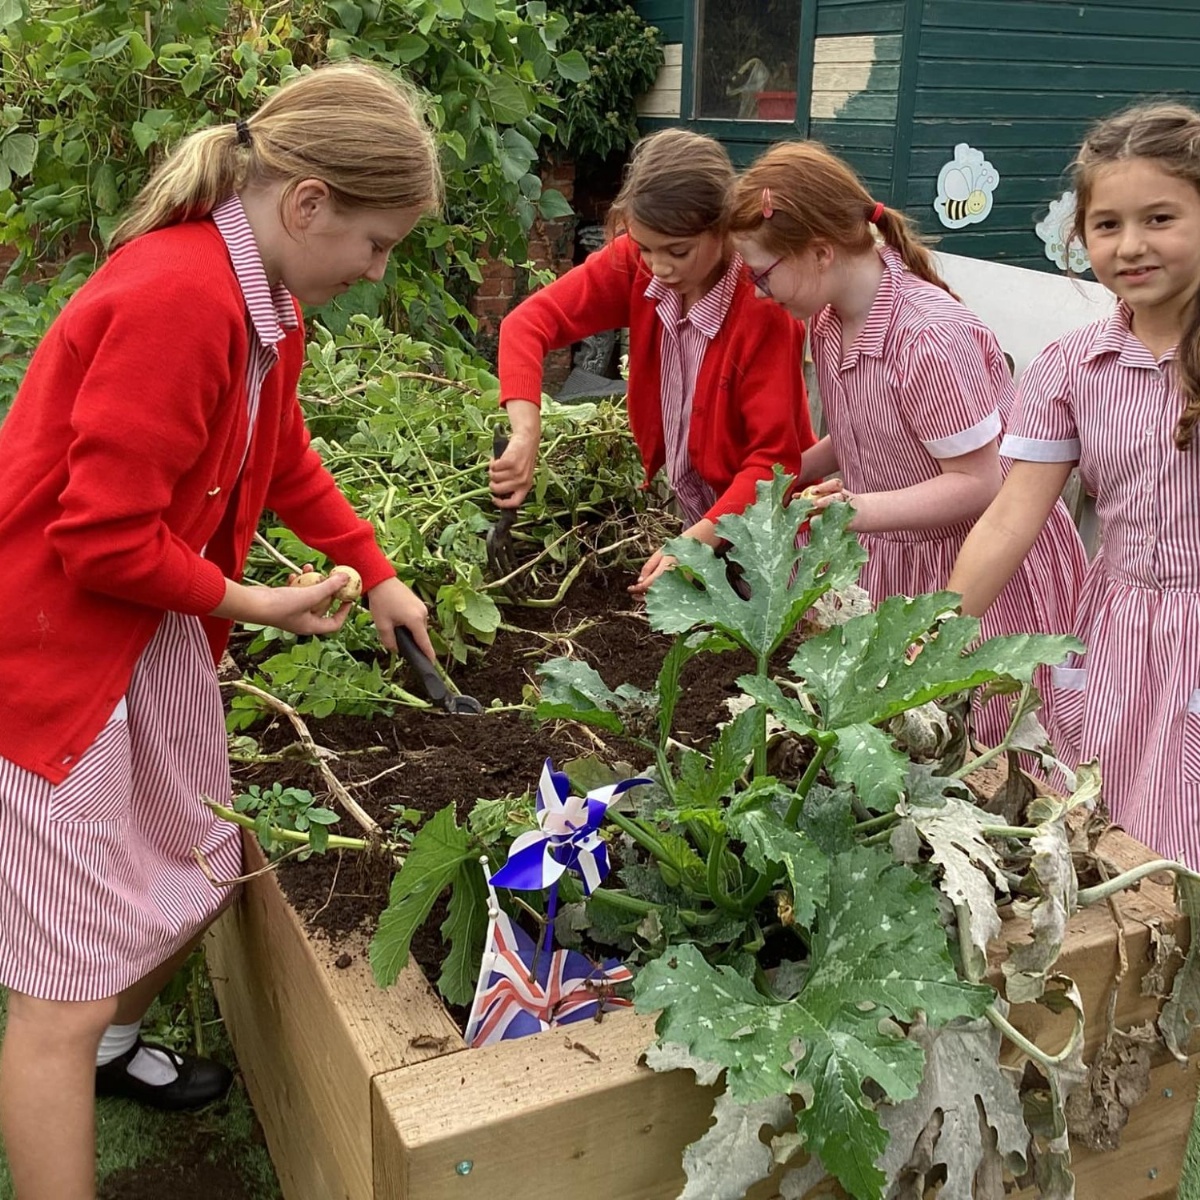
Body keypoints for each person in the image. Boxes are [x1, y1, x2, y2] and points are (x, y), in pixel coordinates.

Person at [0, 62, 439, 1199]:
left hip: (141, 631)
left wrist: (378, 575)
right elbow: (99, 541)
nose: (376, 269)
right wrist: (257, 602)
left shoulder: (263, 304)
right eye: (377, 244)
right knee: (59, 995)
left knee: (199, 862)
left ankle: (110, 1047)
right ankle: (82, 1045)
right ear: (310, 203)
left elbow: (282, 454)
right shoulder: (179, 298)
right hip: (49, 656)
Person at [727, 142, 1087, 751]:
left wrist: (855, 509)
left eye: (762, 275)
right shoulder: (831, 319)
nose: (760, 292)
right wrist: (788, 471)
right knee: (908, 742)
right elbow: (870, 429)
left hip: (975, 573)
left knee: (988, 747)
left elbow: (981, 484)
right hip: (900, 555)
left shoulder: (927, 338)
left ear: (820, 252)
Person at [949, 103, 1200, 868]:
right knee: (1111, 832)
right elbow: (1010, 517)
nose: (1131, 245)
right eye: (1107, 225)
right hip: (1116, 635)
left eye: (1160, 218)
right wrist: (935, 635)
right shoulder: (1072, 366)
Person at [489, 128, 815, 595]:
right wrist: (525, 433)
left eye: (678, 251)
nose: (659, 267)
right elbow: (527, 324)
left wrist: (694, 545)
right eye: (644, 247)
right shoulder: (635, 265)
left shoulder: (764, 307)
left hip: (775, 539)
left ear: (722, 229)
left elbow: (774, 467)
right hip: (704, 524)